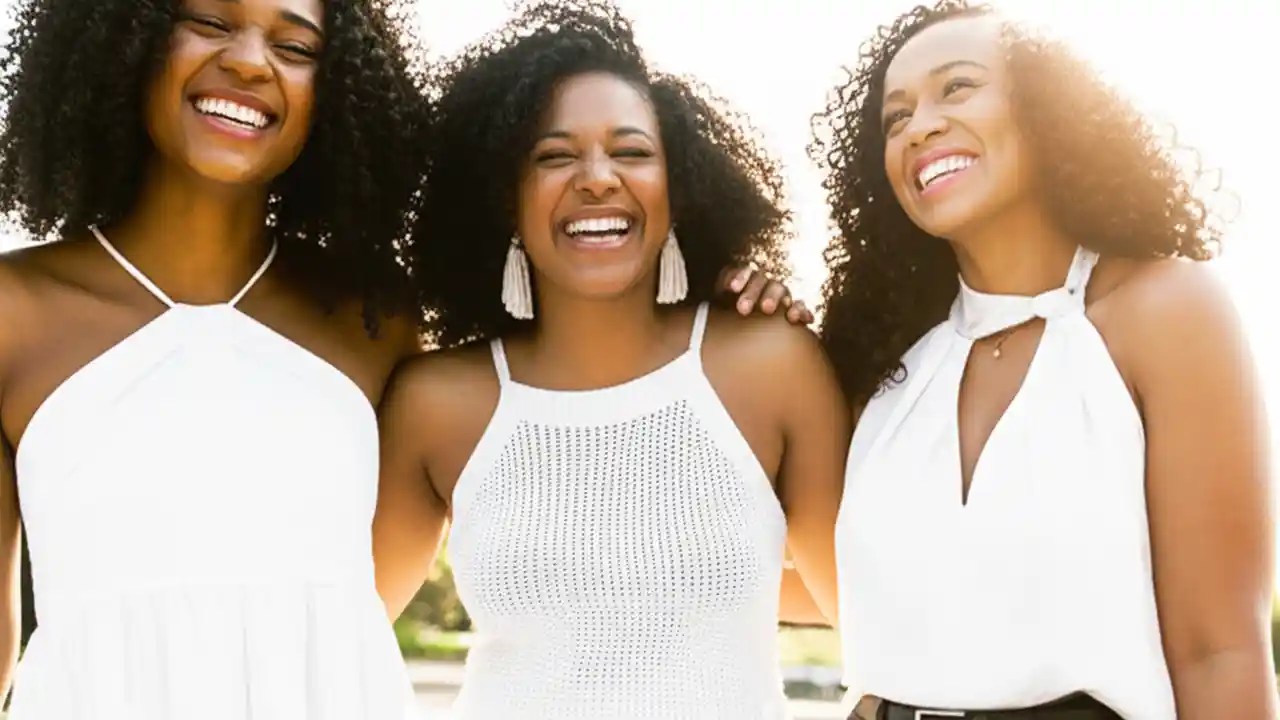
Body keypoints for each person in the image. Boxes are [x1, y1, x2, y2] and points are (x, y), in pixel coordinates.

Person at [0, 1, 797, 716]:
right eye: (208, 21)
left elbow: (564, 455)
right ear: (125, 40)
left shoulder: (373, 319)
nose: (248, 60)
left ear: (336, 91)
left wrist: (723, 295)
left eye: (296, 42)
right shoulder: (15, 311)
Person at [373, 2, 848, 718]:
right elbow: (342, 623)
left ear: (678, 190)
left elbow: (867, 602)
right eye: (554, 155)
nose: (597, 178)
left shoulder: (771, 364)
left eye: (631, 152)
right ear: (505, 200)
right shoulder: (438, 402)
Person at [814, 2, 1275, 719]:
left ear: (1048, 108)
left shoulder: (1164, 311)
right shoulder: (885, 364)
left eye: (957, 87)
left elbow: (1220, 651)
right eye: (895, 117)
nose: (921, 125)